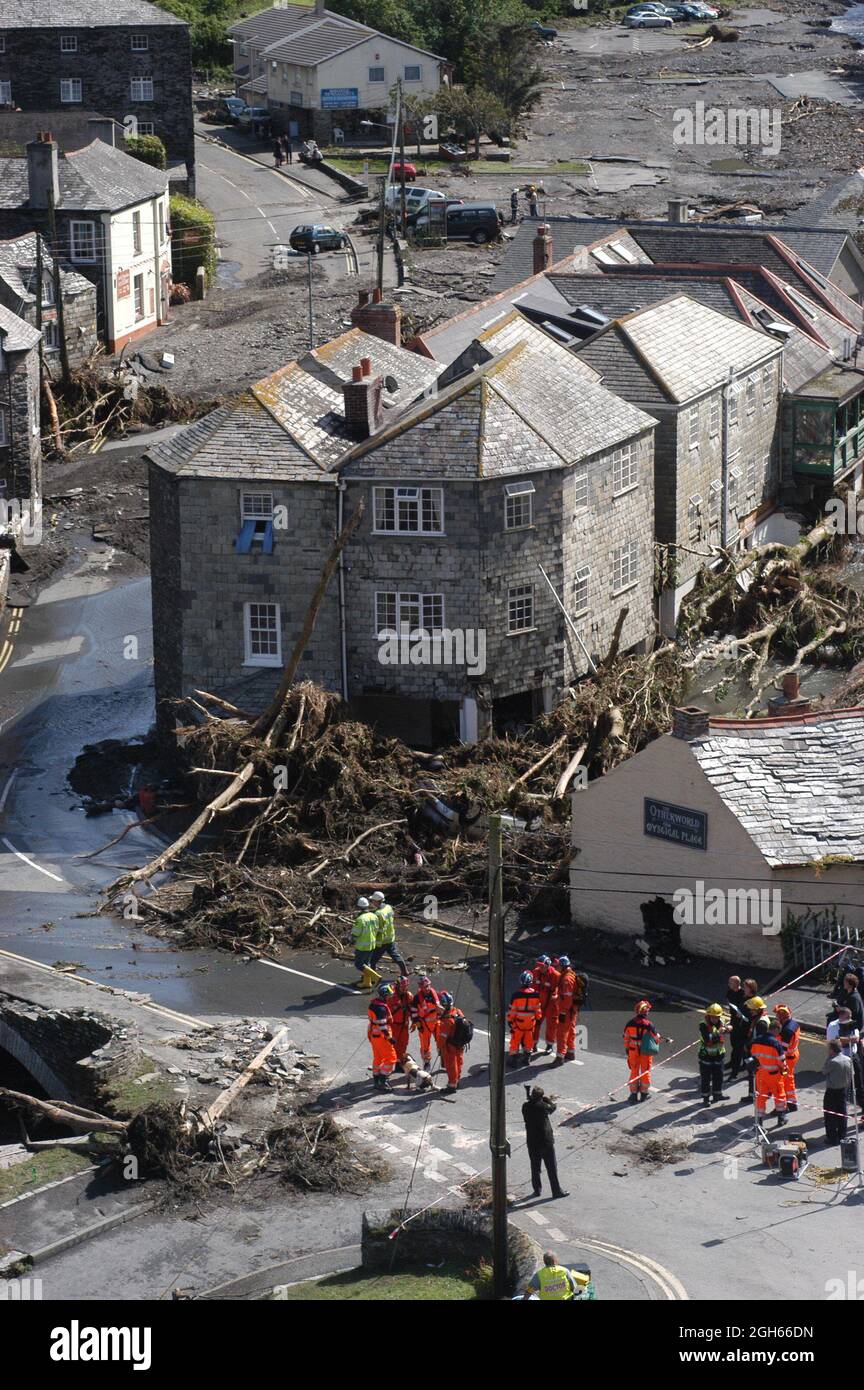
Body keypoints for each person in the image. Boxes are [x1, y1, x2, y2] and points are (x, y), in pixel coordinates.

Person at [522, 1086, 568, 1199]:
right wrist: (548, 1100)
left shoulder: (525, 1106)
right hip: (545, 1142)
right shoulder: (542, 1106)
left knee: (535, 1168)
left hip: (532, 1143)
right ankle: (556, 1191)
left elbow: (531, 1104)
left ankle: (537, 1190)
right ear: (541, 1097)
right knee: (551, 1168)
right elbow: (552, 1107)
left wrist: (533, 1099)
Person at [623, 999, 663, 1102]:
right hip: (645, 1051)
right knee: (645, 1072)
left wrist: (627, 1050)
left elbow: (626, 1038)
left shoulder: (630, 1023)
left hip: (633, 1051)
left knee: (634, 1071)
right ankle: (644, 1093)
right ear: (646, 1012)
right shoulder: (649, 1024)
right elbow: (656, 1039)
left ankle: (633, 1094)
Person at [751, 1017, 787, 1126]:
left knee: (761, 1097)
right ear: (775, 1029)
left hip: (760, 1074)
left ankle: (759, 1121)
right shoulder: (775, 1043)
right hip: (774, 1075)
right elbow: (781, 1061)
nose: (778, 1035)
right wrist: (784, 1069)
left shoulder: (757, 1040)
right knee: (779, 1096)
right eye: (778, 1032)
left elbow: (753, 1056)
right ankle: (781, 1118)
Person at [827, 1006, 864, 1110]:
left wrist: (842, 1039)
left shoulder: (852, 1023)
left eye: (851, 1016)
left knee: (859, 1084)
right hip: (841, 1059)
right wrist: (848, 1039)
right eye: (848, 1016)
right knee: (843, 1086)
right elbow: (833, 1042)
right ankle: (841, 1108)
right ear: (841, 1016)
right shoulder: (833, 1025)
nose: (850, 1018)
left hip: (853, 1056)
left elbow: (856, 1038)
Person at [551, 956, 582, 1066]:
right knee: (570, 1030)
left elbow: (567, 999)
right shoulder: (571, 974)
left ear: (563, 967)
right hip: (572, 1009)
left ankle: (560, 1057)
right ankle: (570, 1052)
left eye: (558, 966)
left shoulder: (566, 980)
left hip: (566, 1011)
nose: (556, 968)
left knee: (561, 1033)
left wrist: (563, 1012)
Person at [508, 970, 542, 1069]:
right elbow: (538, 1009)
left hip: (518, 1023)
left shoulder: (516, 995)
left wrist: (510, 1021)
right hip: (530, 1023)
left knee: (515, 1041)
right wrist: (538, 1018)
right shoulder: (536, 994)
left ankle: (514, 1060)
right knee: (528, 1041)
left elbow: (512, 1010)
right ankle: (526, 1059)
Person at [370, 890, 408, 977]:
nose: (372, 902)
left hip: (382, 941)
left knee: (372, 960)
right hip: (390, 937)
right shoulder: (388, 907)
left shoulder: (378, 913)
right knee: (395, 955)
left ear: (376, 901)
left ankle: (372, 976)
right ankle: (404, 971)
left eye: (373, 901)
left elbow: (377, 928)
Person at [437, 991, 469, 1093]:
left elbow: (442, 1037)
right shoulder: (458, 1012)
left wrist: (440, 1047)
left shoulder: (446, 1021)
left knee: (451, 1065)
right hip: (460, 1043)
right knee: (459, 1062)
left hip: (450, 1045)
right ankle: (457, 1080)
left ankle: (452, 1085)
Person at [368, 985, 398, 1092]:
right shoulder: (381, 1008)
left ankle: (376, 1081)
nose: (390, 997)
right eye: (389, 995)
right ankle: (382, 1081)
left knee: (378, 1058)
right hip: (382, 1038)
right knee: (391, 1058)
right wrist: (389, 1038)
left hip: (374, 1036)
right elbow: (382, 1026)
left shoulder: (373, 1004)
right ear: (385, 996)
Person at [698, 1004, 729, 1105]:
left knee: (718, 1076)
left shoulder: (722, 1022)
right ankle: (706, 1099)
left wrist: (728, 1029)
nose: (715, 1019)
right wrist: (719, 1032)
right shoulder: (703, 1025)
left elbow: (726, 1030)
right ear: (708, 1016)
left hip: (719, 1054)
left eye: (717, 1017)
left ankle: (717, 1095)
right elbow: (708, 1039)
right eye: (712, 1017)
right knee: (706, 1078)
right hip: (706, 1055)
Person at [823, 1039, 853, 1144]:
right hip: (843, 1090)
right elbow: (851, 1073)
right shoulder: (848, 1059)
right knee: (842, 1113)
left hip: (832, 1091)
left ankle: (832, 1137)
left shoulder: (832, 1061)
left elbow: (824, 1071)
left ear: (832, 1050)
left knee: (830, 1115)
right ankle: (842, 1135)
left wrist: (828, 1058)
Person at [774, 1003, 800, 1113]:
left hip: (787, 1059)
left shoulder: (786, 1031)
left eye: (777, 1016)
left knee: (783, 1081)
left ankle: (786, 1105)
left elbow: (782, 1050)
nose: (776, 1018)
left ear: (782, 1017)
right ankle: (792, 1103)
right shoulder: (794, 1024)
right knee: (788, 1080)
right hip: (793, 1055)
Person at [532, 955, 560, 1055]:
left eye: (542, 966)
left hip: (551, 1005)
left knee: (551, 1025)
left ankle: (549, 1045)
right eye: (539, 966)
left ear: (548, 965)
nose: (540, 968)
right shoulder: (536, 972)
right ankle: (533, 1044)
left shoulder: (556, 975)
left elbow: (558, 991)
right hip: (538, 1004)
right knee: (535, 1024)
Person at [412, 975, 440, 1071]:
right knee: (425, 1046)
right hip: (424, 1025)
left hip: (436, 1022)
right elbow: (413, 1011)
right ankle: (427, 1063)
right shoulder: (416, 998)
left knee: (442, 1041)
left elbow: (441, 1007)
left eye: (428, 986)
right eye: (425, 987)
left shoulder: (435, 994)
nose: (427, 988)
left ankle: (443, 1058)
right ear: (420, 987)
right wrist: (416, 1023)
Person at [352, 897, 381, 990]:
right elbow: (377, 929)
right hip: (372, 943)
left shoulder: (360, 919)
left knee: (359, 964)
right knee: (366, 963)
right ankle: (367, 982)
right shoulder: (374, 916)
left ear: (359, 907)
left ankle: (376, 977)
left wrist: (350, 939)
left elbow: (356, 933)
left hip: (362, 946)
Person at [725, 975, 749, 1079]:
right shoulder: (729, 992)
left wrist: (741, 1013)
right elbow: (728, 1002)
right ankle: (733, 1061)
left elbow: (746, 1007)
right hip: (733, 1020)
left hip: (741, 1022)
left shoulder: (743, 994)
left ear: (737, 984)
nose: (729, 984)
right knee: (733, 1042)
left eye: (731, 982)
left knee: (740, 1045)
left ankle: (742, 1064)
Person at [389, 976, 413, 1071]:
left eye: (406, 986)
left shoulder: (409, 996)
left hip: (404, 1026)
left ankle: (398, 1065)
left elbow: (412, 1010)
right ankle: (388, 1067)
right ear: (398, 986)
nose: (404, 989)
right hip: (394, 1025)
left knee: (402, 1045)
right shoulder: (391, 997)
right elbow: (387, 1011)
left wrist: (414, 1021)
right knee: (391, 1047)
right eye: (402, 987)